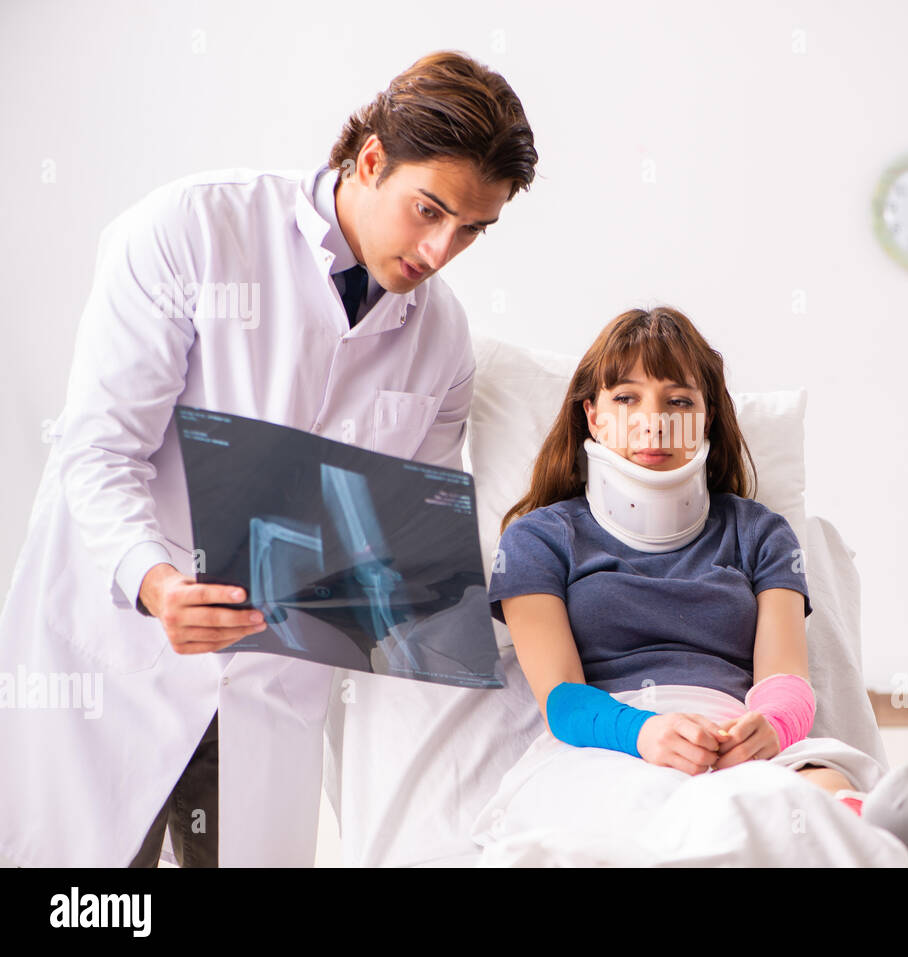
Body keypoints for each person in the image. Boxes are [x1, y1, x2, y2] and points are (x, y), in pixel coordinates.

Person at [0, 50, 537, 867]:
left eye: (472, 230)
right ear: (369, 159)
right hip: (119, 659)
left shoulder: (443, 341)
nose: (440, 252)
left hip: (273, 695)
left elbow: (398, 540)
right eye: (429, 211)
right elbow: (101, 452)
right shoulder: (192, 231)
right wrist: (157, 583)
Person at [475, 306, 908, 865]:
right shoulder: (538, 538)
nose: (653, 421)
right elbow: (564, 701)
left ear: (706, 420)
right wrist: (644, 734)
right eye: (626, 398)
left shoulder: (761, 531)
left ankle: (860, 829)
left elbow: (786, 677)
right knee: (665, 819)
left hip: (736, 740)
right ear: (593, 417)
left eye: (679, 401)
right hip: (610, 742)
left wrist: (768, 728)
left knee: (807, 784)